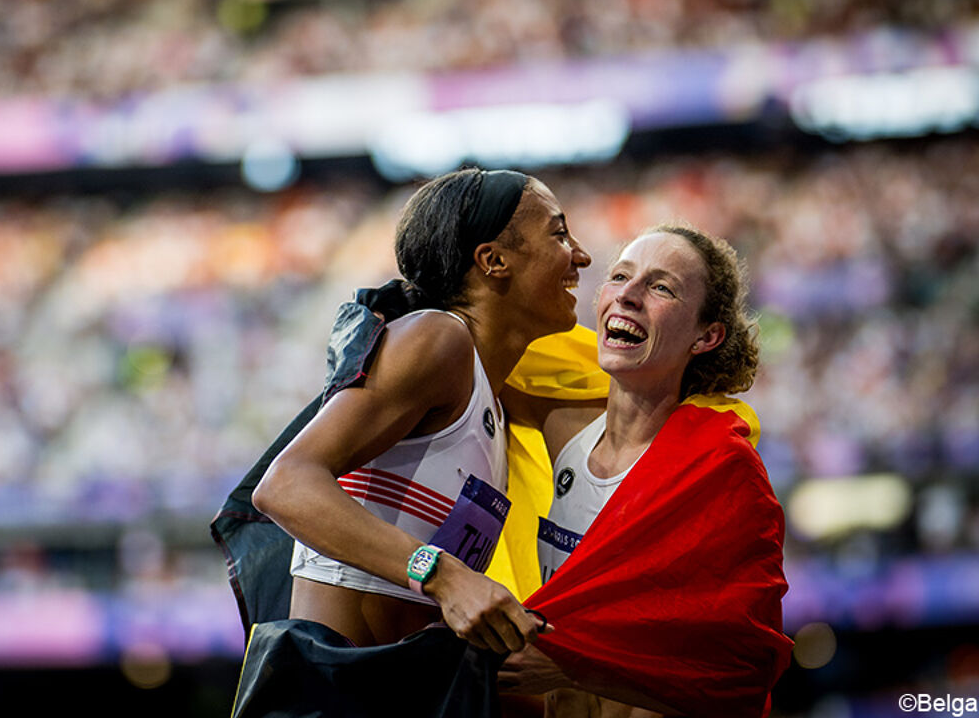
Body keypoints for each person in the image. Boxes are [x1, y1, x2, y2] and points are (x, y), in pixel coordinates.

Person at [250, 167, 592, 655]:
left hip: (401, 682)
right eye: (559, 234)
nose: (581, 255)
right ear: (493, 260)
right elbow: (285, 484)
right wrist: (443, 574)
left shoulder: (491, 396)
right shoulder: (437, 339)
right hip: (331, 683)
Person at [498, 224, 792, 717]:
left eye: (661, 287)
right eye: (619, 276)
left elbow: (741, 672)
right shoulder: (562, 430)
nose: (628, 295)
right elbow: (476, 343)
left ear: (707, 336)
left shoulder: (721, 470)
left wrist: (573, 667)